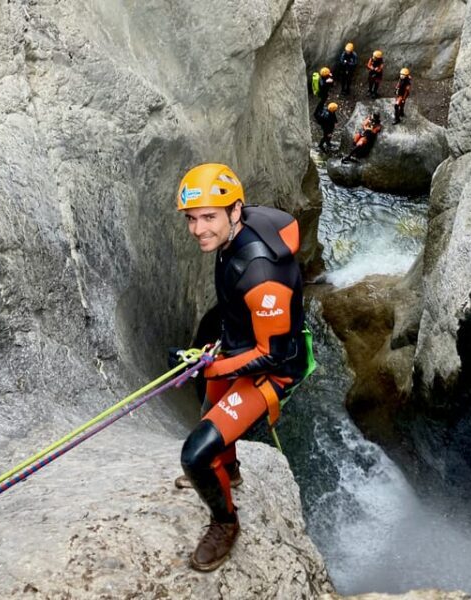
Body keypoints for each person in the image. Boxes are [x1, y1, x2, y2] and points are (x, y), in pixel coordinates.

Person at [175, 163, 308, 572]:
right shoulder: (237, 231)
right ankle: (228, 474)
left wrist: (210, 368)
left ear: (235, 212)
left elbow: (275, 354)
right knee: (210, 416)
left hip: (271, 369)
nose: (198, 229)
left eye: (208, 217)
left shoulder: (262, 273)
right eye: (192, 219)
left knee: (195, 455)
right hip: (239, 347)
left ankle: (224, 523)